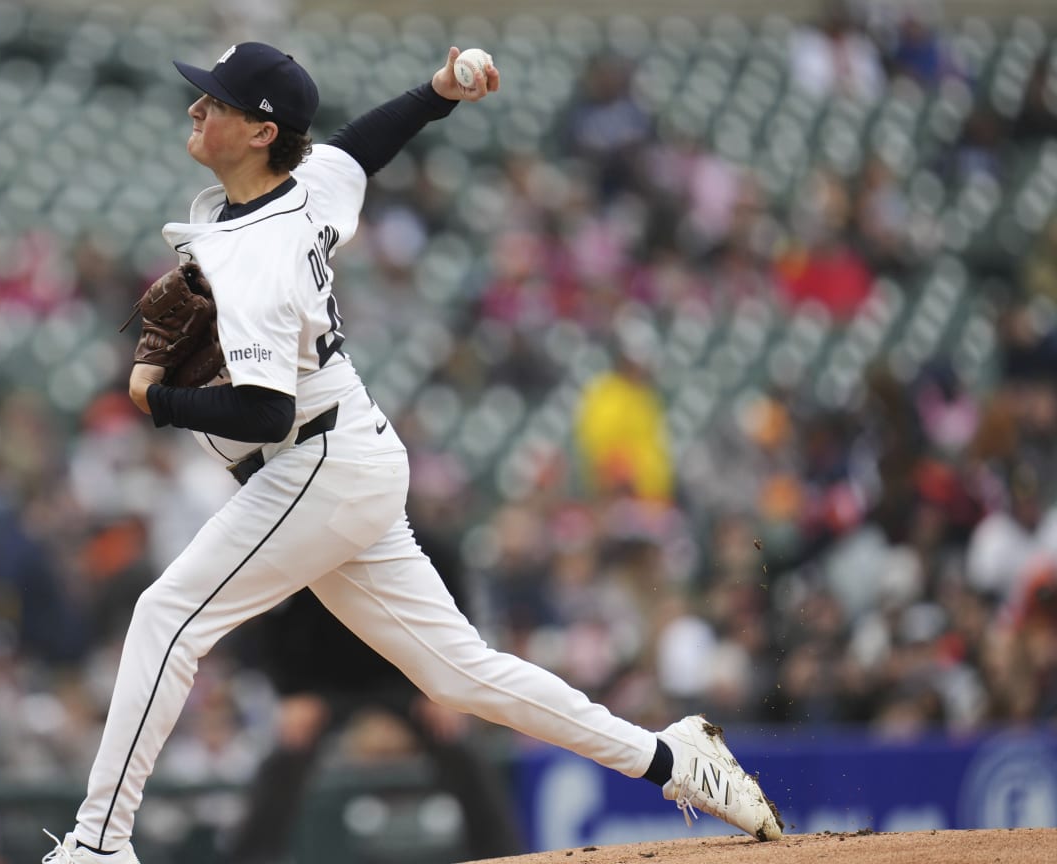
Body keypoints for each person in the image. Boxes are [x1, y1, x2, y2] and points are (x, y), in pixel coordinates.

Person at [42, 43, 782, 863]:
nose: (195, 109)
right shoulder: (296, 185)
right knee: (462, 676)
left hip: (312, 459)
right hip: (344, 453)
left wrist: (159, 401)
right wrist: (438, 91)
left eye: (213, 102)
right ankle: (676, 760)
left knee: (167, 616)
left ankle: (98, 845)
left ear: (260, 130)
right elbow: (361, 146)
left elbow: (263, 408)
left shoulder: (259, 254)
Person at [228, 560, 523, 863]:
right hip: (323, 684)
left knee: (460, 746)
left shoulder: (424, 547)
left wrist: (446, 685)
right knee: (285, 755)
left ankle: (501, 854)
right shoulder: (306, 545)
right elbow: (272, 625)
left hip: (409, 679)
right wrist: (291, 692)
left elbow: (455, 619)